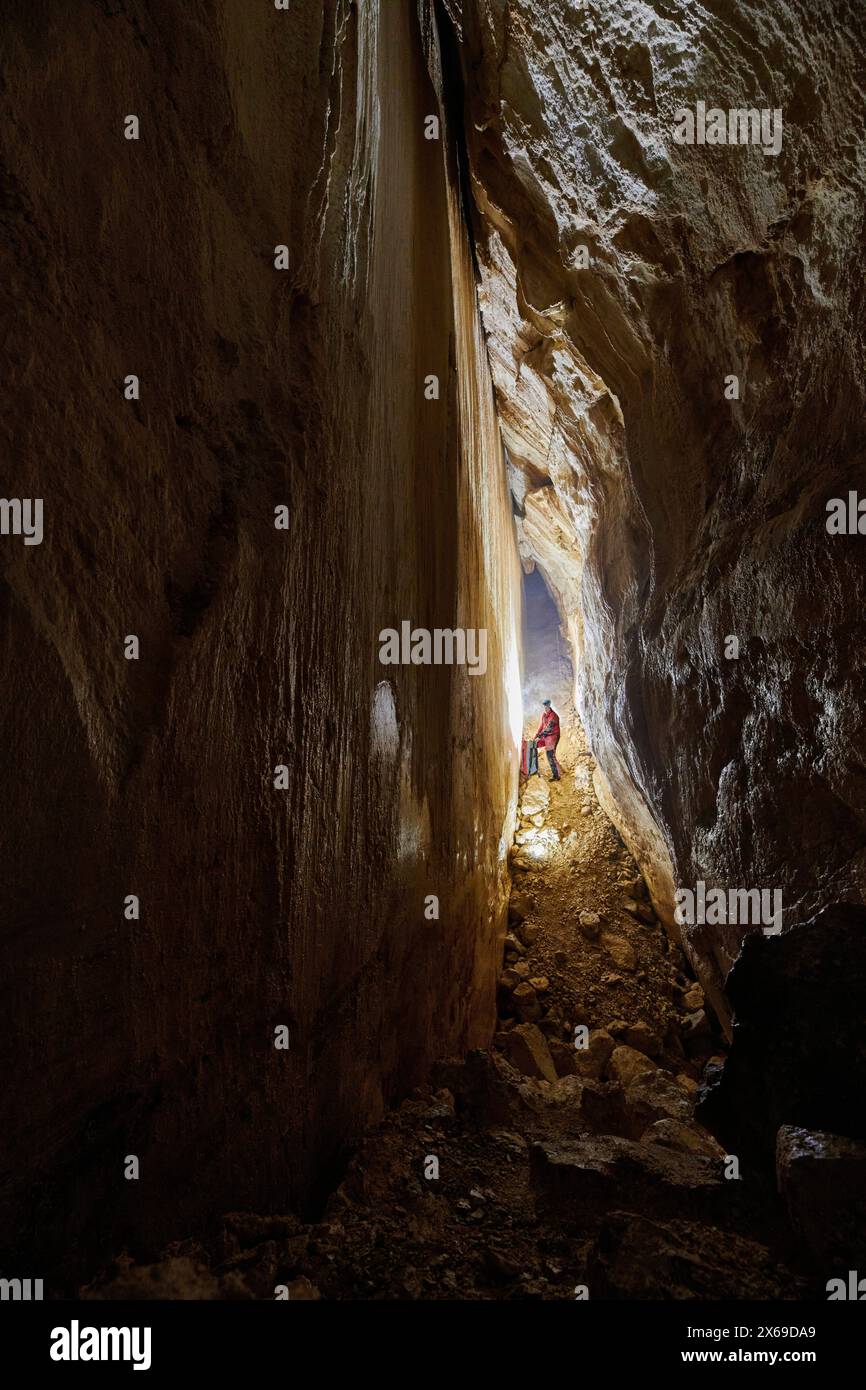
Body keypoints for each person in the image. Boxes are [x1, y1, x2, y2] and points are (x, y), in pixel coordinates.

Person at [535, 699, 561, 781]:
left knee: (550, 754)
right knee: (534, 745)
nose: (545, 708)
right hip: (546, 735)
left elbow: (549, 728)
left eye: (546, 706)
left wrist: (540, 736)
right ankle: (534, 770)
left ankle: (557, 775)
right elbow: (542, 726)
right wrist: (536, 736)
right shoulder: (544, 715)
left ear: (549, 706)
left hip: (553, 736)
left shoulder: (554, 716)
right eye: (544, 706)